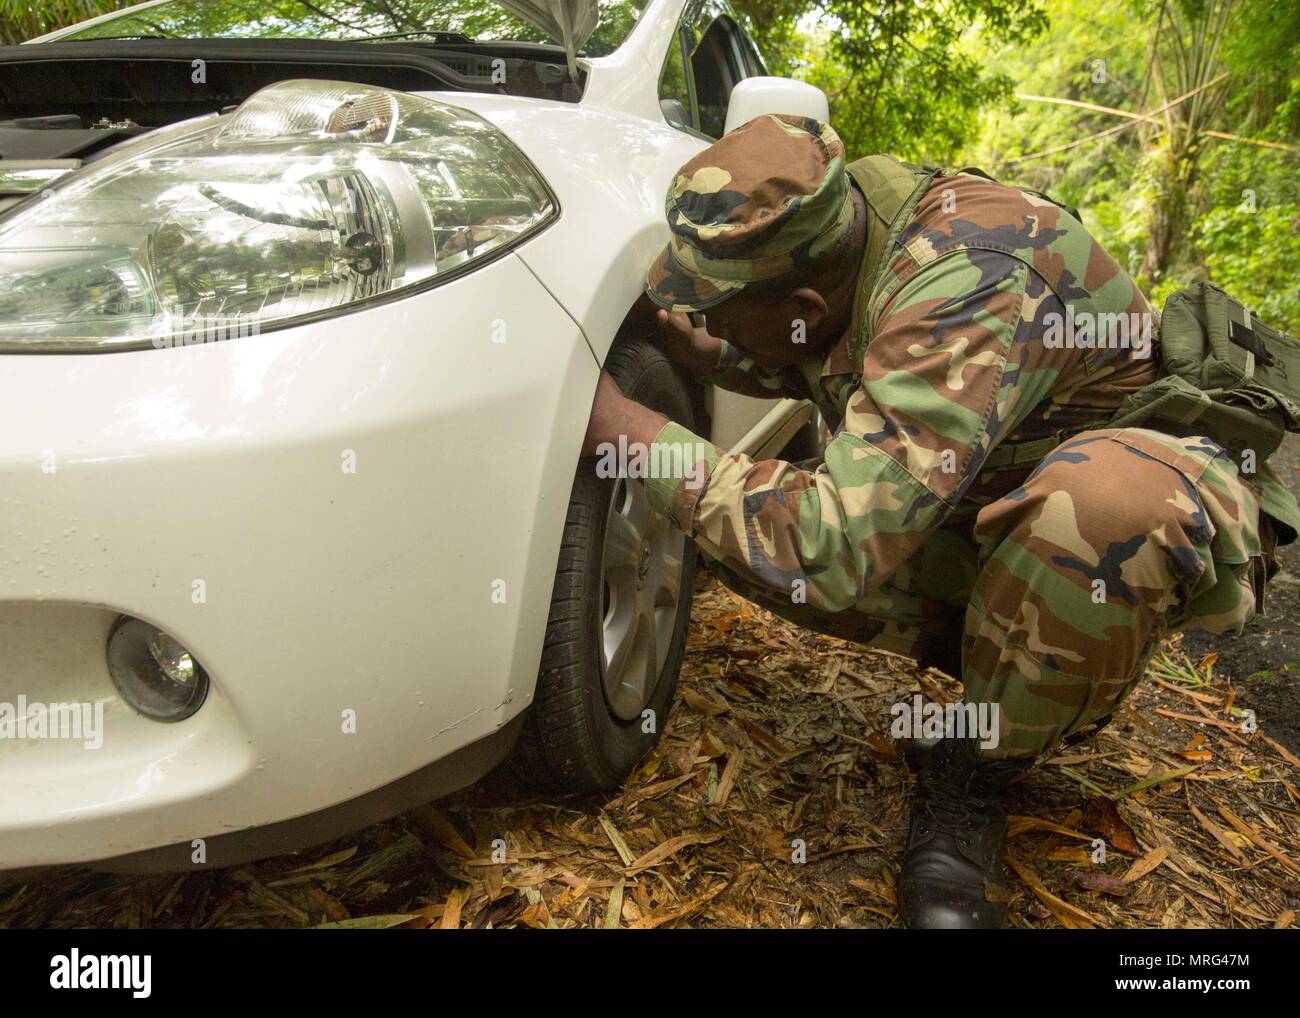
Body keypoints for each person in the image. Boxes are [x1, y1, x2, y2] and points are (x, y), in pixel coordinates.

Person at [581, 113, 1296, 928]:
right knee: (747, 532)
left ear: (805, 303)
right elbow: (853, 351)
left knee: (1097, 515)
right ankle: (1007, 651)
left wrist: (631, 434)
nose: (701, 323)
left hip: (1143, 508)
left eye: (717, 311)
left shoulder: (967, 284)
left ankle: (981, 764)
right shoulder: (846, 218)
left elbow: (828, 547)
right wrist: (731, 354)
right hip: (1004, 483)